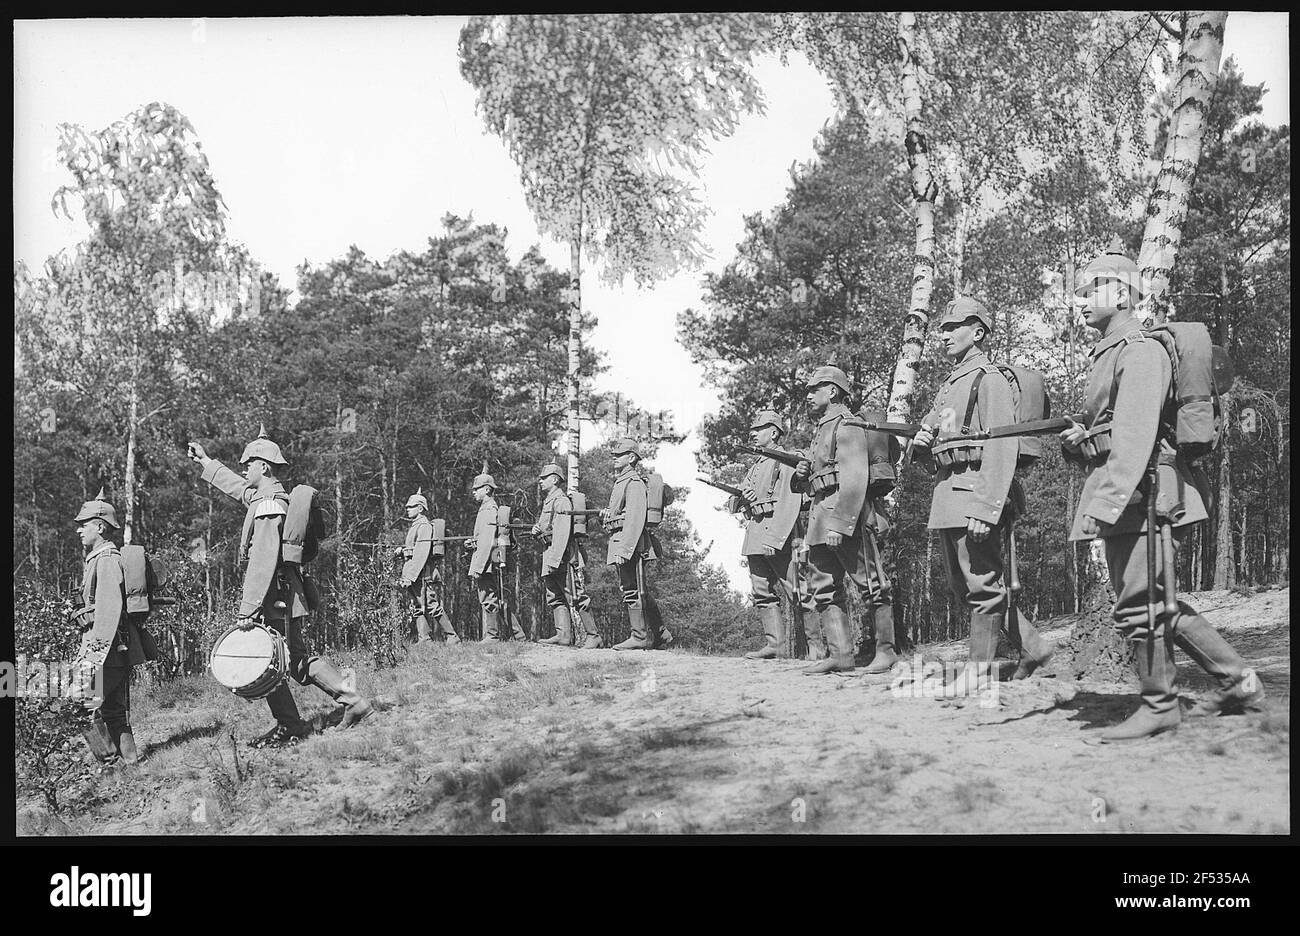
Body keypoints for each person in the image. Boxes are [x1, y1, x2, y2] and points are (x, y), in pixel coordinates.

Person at [1060, 243, 1265, 741]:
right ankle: (1239, 683)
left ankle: (1160, 705)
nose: (1081, 299)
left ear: (1126, 296)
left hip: (1145, 491)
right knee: (1155, 601)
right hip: (1130, 489)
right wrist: (1080, 443)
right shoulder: (1112, 352)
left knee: (1141, 604)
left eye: (1093, 290)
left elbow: (1134, 436)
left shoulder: (1140, 350)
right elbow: (1113, 434)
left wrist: (1105, 504)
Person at [190, 428, 373, 747]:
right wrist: (207, 462)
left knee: (290, 662)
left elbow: (262, 560)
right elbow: (238, 488)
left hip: (276, 597)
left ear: (264, 467)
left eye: (248, 463)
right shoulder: (265, 497)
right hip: (281, 595)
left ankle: (339, 707)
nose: (244, 468)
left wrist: (247, 610)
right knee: (285, 660)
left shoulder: (269, 505)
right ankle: (305, 719)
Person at [911, 297, 1055, 694]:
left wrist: (988, 505)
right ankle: (1034, 650)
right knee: (967, 587)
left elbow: (1002, 445)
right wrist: (921, 442)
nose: (943, 335)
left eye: (952, 327)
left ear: (978, 333)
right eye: (941, 328)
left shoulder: (987, 379)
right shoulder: (950, 384)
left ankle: (977, 674)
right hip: (947, 492)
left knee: (982, 585)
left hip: (973, 491)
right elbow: (934, 442)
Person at [792, 366, 898, 676]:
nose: (809, 395)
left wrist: (841, 522)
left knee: (873, 584)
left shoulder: (847, 424)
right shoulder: (822, 428)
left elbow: (853, 478)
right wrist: (802, 474)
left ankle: (886, 652)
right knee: (825, 587)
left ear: (834, 391)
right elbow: (818, 477)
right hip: (820, 514)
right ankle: (840, 654)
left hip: (845, 512)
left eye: (816, 389)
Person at [72, 489, 157, 765]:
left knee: (81, 702)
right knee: (114, 709)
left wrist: (92, 657)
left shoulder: (106, 560)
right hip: (116, 650)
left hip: (107, 650)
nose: (79, 531)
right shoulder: (100, 558)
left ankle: (109, 763)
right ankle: (131, 763)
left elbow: (109, 614)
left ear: (100, 526)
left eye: (83, 525)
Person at [729, 410, 806, 660]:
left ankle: (818, 648)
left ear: (773, 433)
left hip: (778, 534)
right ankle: (775, 646)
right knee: (761, 592)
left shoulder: (786, 460)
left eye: (758, 429)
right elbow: (733, 503)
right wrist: (743, 497)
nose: (752, 433)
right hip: (755, 533)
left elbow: (790, 502)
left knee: (798, 591)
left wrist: (776, 538)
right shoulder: (756, 466)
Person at [602, 438, 668, 650]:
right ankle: (661, 634)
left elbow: (635, 518)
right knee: (638, 589)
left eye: (619, 454)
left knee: (633, 589)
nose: (614, 457)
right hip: (620, 540)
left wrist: (626, 549)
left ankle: (638, 637)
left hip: (630, 543)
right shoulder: (622, 482)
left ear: (631, 458)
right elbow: (621, 515)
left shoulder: (634, 483)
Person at [532, 463, 602, 648]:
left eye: (543, 477)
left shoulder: (561, 500)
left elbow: (562, 533)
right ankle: (562, 635)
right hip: (550, 553)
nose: (540, 481)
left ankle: (593, 635)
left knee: (576, 595)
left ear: (554, 479)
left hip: (562, 556)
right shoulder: (549, 500)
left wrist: (555, 560)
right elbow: (547, 528)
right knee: (555, 596)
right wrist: (536, 530)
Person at [464, 473, 526, 641]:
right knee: (495, 598)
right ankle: (519, 636)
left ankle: (492, 636)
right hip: (487, 558)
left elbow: (487, 540)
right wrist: (473, 543)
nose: (473, 492)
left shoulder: (490, 509)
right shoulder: (485, 508)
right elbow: (482, 538)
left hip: (487, 560)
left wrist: (478, 567)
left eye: (476, 489)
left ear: (487, 489)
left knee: (488, 597)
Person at [399, 491, 460, 645]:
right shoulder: (416, 525)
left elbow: (421, 553)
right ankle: (424, 639)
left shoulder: (424, 526)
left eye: (411, 506)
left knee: (432, 605)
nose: (408, 509)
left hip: (421, 573)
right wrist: (402, 551)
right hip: (412, 571)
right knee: (417, 606)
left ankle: (452, 636)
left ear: (420, 508)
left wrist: (410, 576)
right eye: (407, 506)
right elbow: (413, 550)